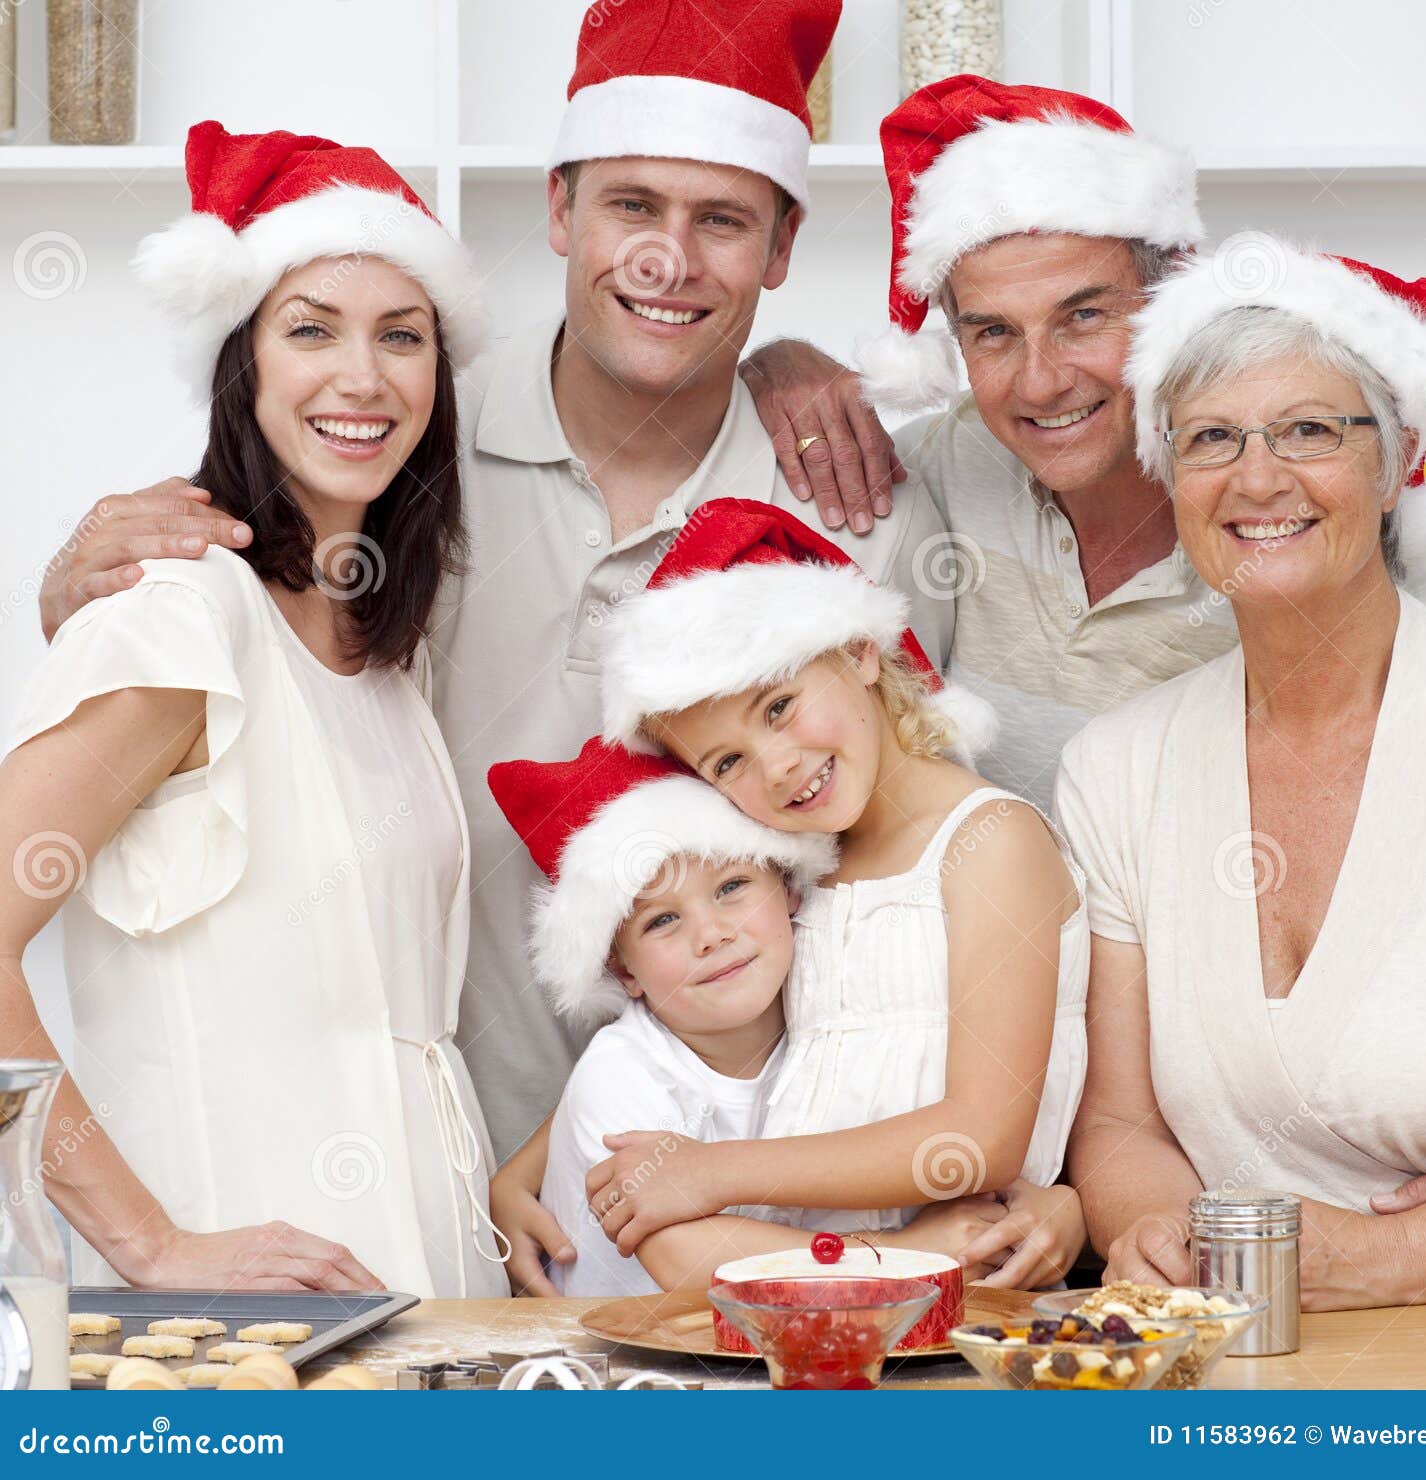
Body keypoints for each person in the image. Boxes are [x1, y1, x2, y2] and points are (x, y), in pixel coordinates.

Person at [33, 3, 948, 1211]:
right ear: (558, 209)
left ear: (782, 248)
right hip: (439, 1189)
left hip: (771, 1204)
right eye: (631, 206)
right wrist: (75, 583)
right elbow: (222, 610)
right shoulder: (397, 463)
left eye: (723, 220)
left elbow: (917, 873)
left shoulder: (853, 511)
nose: (668, 261)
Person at [0, 122, 507, 1296]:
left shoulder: (385, 652)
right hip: (245, 1333)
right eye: (311, 329)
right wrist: (151, 1244)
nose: (363, 377)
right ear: (241, 362)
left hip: (425, 1306)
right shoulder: (181, 616)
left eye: (402, 335)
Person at [1056, 238, 1426, 1308]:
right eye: (1212, 438)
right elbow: (1119, 1123)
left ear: (1396, 463)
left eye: (1309, 430)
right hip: (1228, 1346)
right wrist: (1162, 1237)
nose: (1258, 479)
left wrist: (1401, 1256)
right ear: (1169, 477)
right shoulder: (1114, 768)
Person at [742, 76, 1426, 812]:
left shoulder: (1272, 511)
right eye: (995, 332)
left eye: (1083, 317)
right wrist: (771, 368)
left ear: (1168, 303)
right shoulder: (943, 462)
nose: (1041, 383)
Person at [580, 500, 1087, 1289]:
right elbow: (691, 1032)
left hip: (970, 1294)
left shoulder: (990, 844)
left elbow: (982, 1139)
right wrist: (526, 1167)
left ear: (859, 651)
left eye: (779, 708)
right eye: (727, 763)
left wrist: (715, 1170)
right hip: (813, 1295)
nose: (777, 766)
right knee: (670, 1244)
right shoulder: (799, 876)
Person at [485, 738, 1020, 1295]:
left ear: (788, 889)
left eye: (732, 887)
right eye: (662, 921)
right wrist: (907, 1256)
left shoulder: (836, 1030)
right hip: (633, 1349)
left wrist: (1040, 1202)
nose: (711, 934)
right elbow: (688, 1261)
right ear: (624, 971)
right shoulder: (618, 1076)